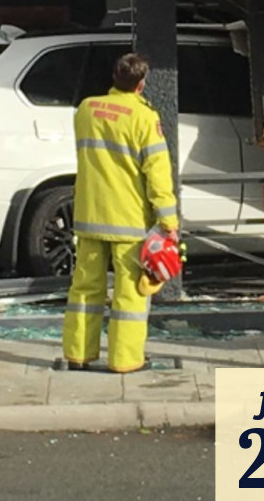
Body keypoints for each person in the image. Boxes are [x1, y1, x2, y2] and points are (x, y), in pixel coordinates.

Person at [62, 53, 179, 373]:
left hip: (89, 216)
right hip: (128, 220)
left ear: (113, 76)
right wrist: (168, 220)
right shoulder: (143, 119)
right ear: (141, 84)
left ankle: (78, 355)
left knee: (84, 288)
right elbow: (158, 174)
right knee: (130, 294)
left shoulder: (87, 109)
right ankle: (125, 360)